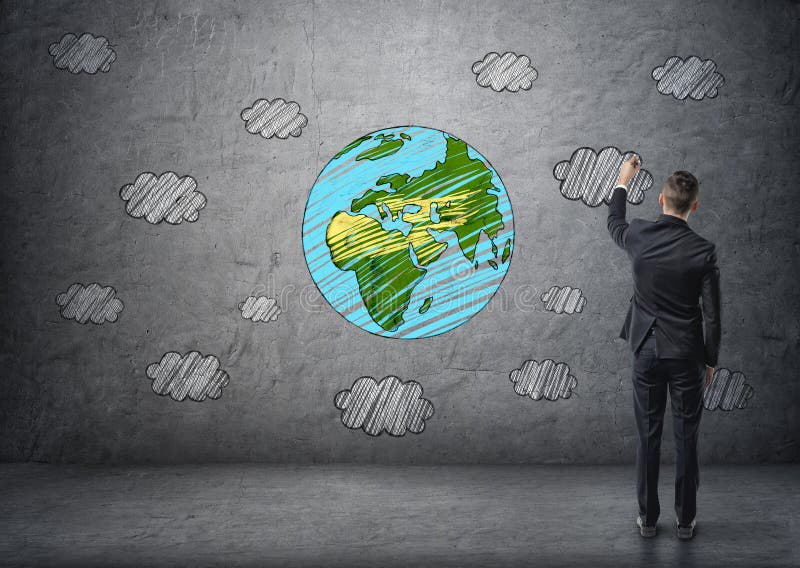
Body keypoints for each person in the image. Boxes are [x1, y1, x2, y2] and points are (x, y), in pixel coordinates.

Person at [607, 156, 721, 541]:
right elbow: (713, 316)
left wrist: (624, 179)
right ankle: (686, 521)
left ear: (660, 200)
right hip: (687, 355)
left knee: (648, 435)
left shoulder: (638, 235)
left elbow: (614, 223)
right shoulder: (704, 251)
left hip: (646, 351)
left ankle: (648, 519)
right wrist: (710, 360)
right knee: (687, 437)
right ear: (695, 206)